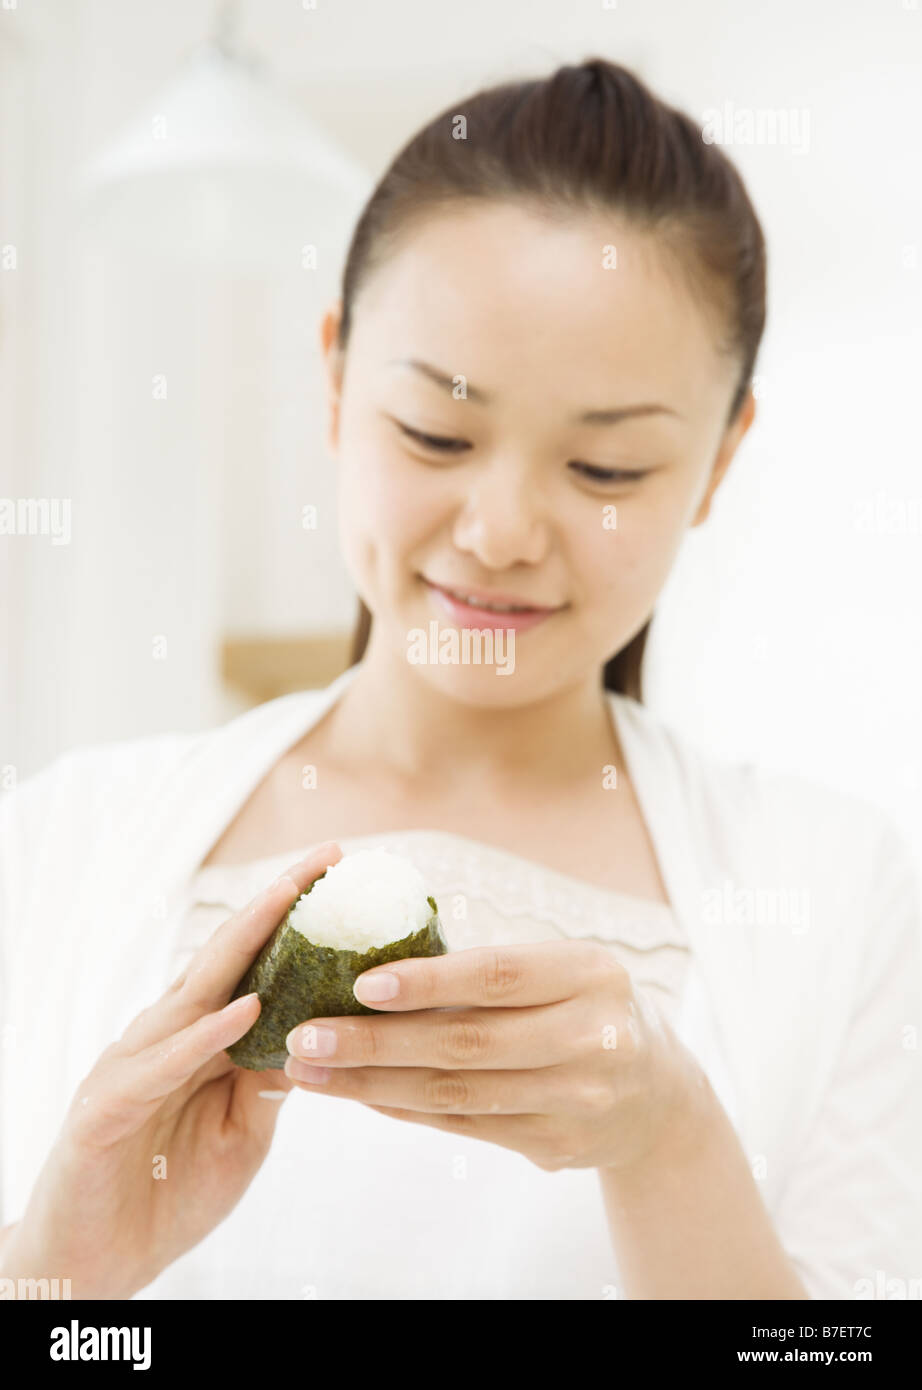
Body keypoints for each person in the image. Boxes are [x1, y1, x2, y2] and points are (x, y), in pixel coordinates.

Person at [1, 58, 919, 1302]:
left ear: (717, 463)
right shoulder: (57, 840)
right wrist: (62, 1277)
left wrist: (666, 1139)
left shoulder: (843, 891)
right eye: (436, 434)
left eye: (606, 469)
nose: (499, 530)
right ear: (334, 381)